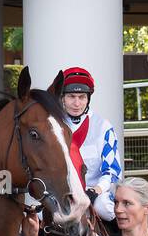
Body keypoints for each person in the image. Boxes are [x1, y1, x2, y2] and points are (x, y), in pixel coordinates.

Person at [49, 67, 122, 225]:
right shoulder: (52, 126)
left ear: (88, 98)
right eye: (71, 96)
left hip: (94, 190)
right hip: (62, 191)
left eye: (82, 97)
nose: (77, 103)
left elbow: (113, 171)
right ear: (62, 97)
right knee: (42, 216)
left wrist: (96, 191)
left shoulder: (103, 127)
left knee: (105, 209)